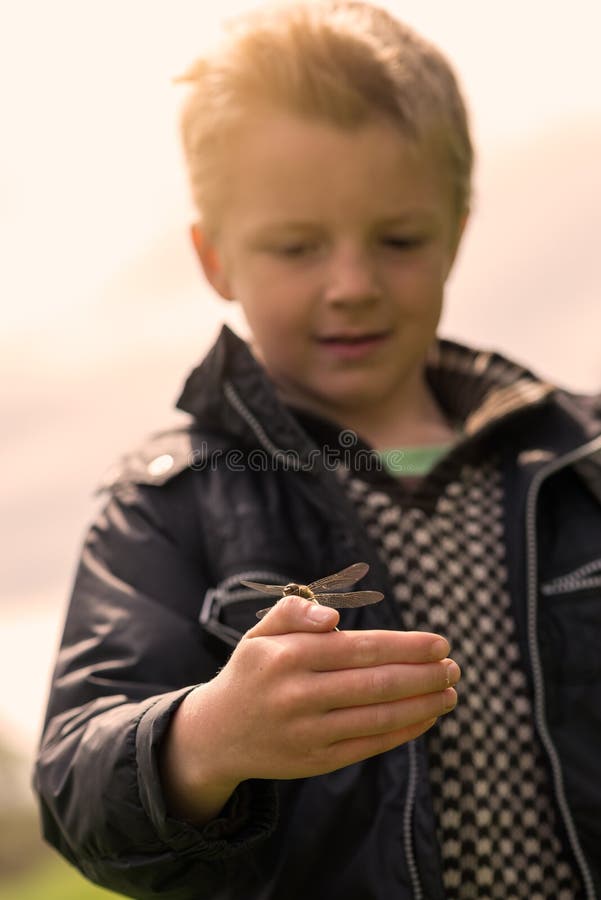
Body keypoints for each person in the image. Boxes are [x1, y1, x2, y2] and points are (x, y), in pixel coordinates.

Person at [34, 2, 601, 898]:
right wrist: (208, 736)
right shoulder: (168, 501)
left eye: (399, 239)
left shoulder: (581, 461)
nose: (352, 285)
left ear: (456, 228)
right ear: (215, 257)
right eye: (296, 246)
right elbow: (75, 789)